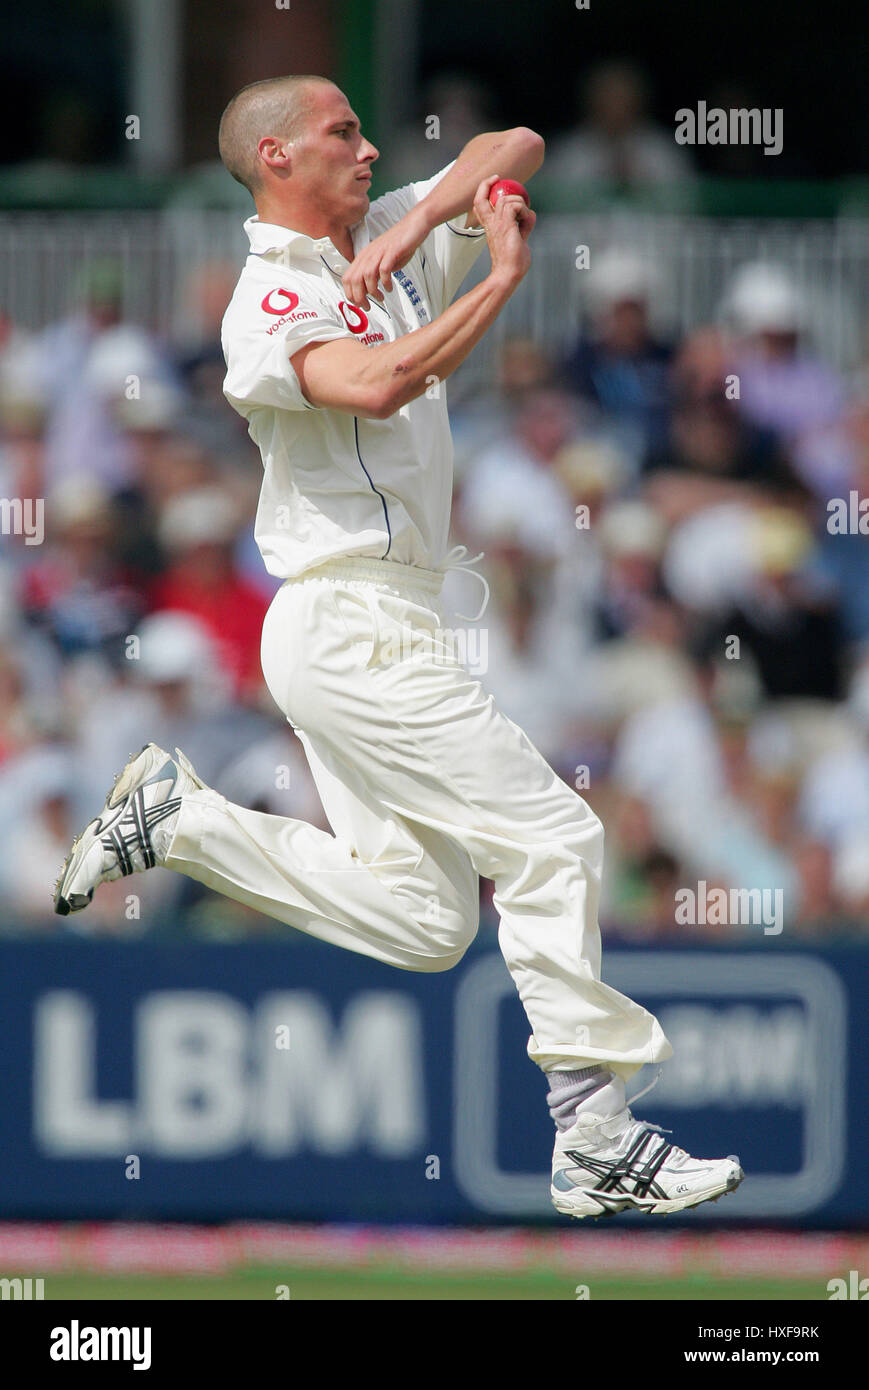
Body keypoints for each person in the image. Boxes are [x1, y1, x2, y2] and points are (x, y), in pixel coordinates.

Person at [54, 74, 743, 1219]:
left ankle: (184, 820)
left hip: (386, 619)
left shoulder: (381, 230)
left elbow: (514, 138)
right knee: (554, 833)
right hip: (343, 618)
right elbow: (376, 386)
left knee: (430, 925)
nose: (369, 150)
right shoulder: (267, 302)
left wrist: (427, 224)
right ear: (276, 158)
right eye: (341, 134)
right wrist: (504, 278)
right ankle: (590, 1131)